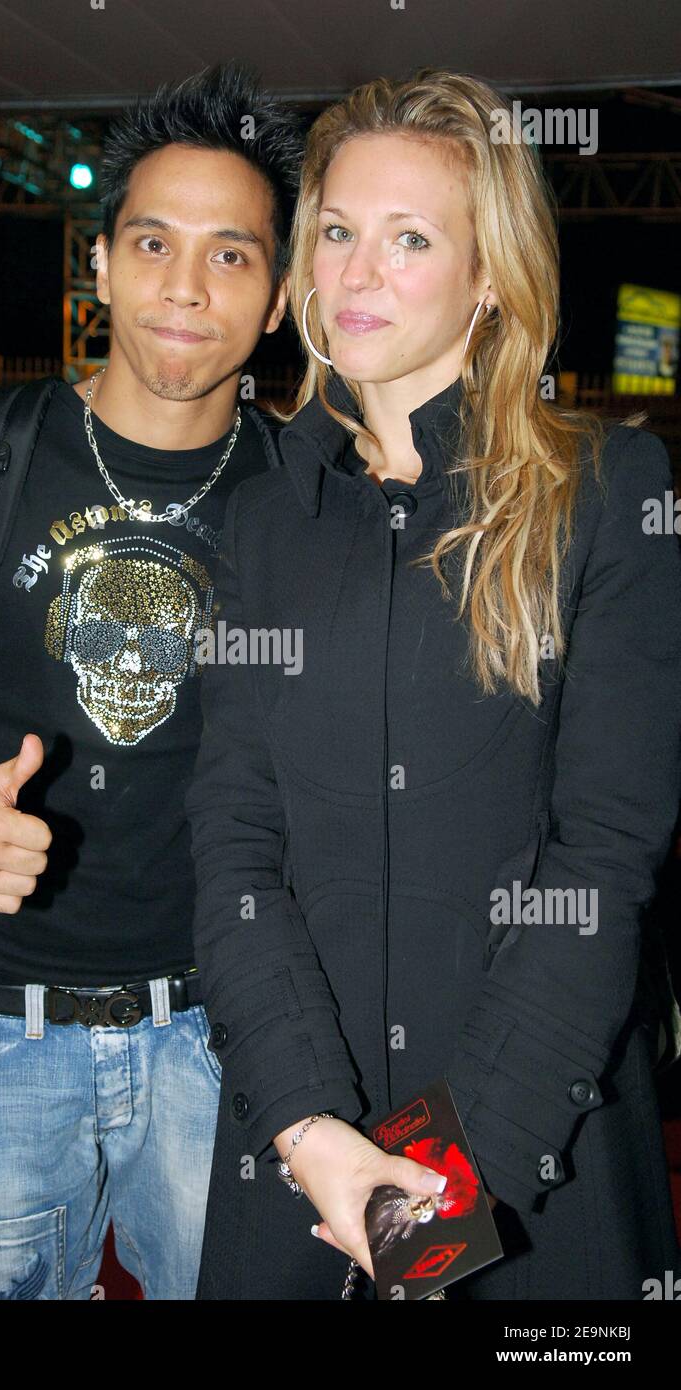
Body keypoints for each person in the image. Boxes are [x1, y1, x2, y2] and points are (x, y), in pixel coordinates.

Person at [185, 68, 681, 1300]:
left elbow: (605, 859)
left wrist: (442, 1201)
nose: (356, 274)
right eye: (338, 234)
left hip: (524, 1167)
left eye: (409, 239)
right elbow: (234, 848)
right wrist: (308, 1131)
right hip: (300, 1158)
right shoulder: (256, 521)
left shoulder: (605, 494)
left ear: (489, 276)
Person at [0, 63, 302, 1300]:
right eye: (152, 242)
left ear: (280, 295)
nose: (184, 289)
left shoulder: (310, 500)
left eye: (231, 256)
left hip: (225, 1029)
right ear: (99, 266)